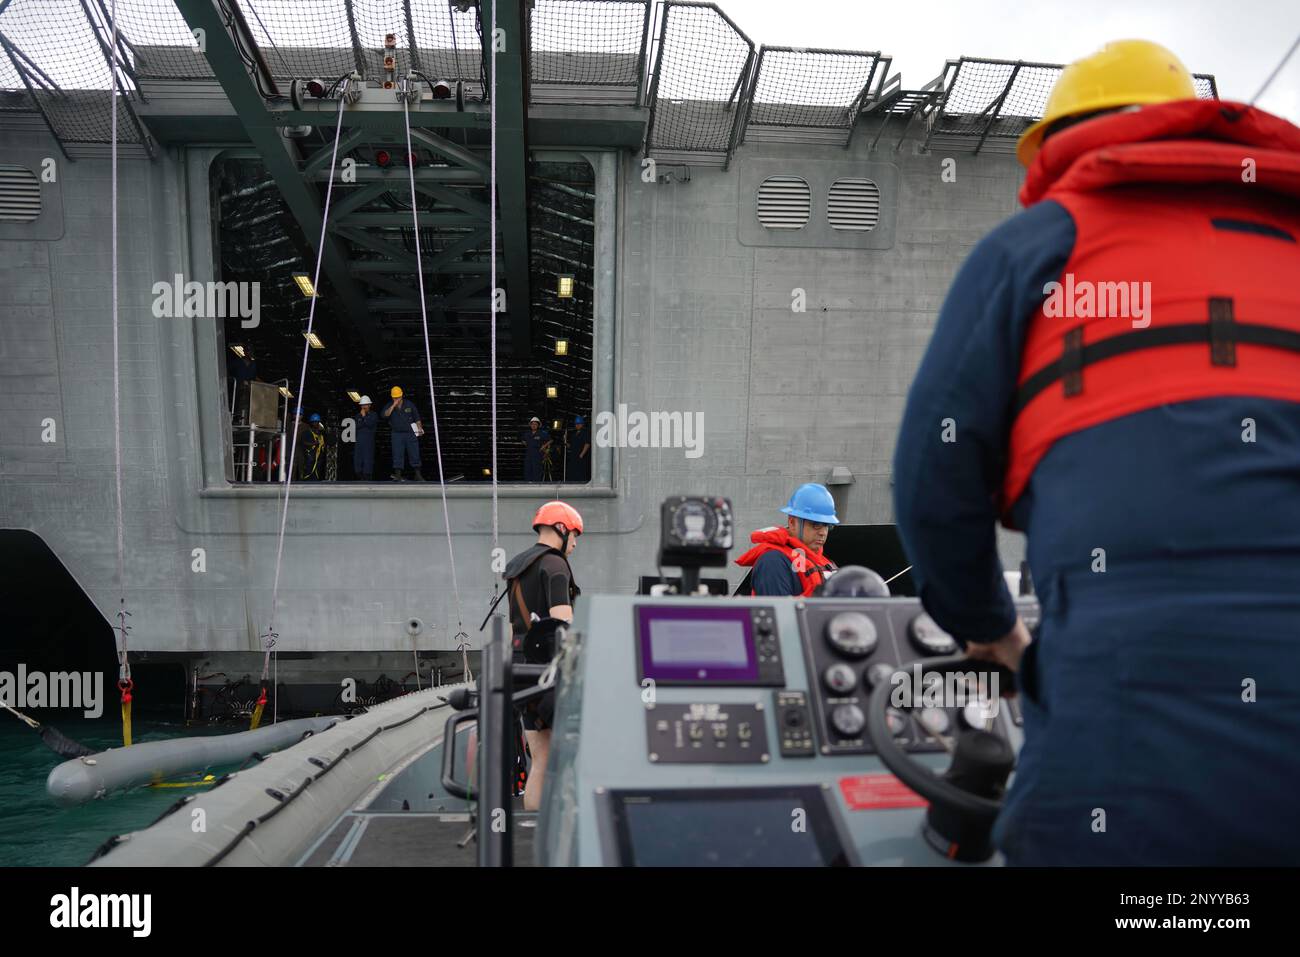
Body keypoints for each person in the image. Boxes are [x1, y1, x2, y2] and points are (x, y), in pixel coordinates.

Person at [892, 40, 1300, 866]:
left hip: (1126, 746)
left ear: (1053, 150)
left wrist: (992, 631)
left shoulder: (1033, 247)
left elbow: (936, 478)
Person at [500, 501, 583, 811]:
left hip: (520, 670)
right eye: (574, 536)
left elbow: (512, 629)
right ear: (562, 530)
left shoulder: (517, 568)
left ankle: (531, 833)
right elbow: (564, 624)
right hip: (548, 672)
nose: (574, 544)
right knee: (576, 749)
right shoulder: (556, 565)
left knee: (542, 758)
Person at [734, 483, 838, 596]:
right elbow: (777, 612)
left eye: (827, 525)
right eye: (816, 524)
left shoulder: (821, 562)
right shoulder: (773, 562)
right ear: (792, 523)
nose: (823, 532)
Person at [384, 386, 424, 481]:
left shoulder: (409, 404)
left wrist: (419, 427)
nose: (396, 399)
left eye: (398, 397)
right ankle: (398, 475)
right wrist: (393, 405)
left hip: (410, 433)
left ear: (401, 395)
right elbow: (385, 415)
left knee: (414, 453)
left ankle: (417, 474)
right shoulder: (390, 405)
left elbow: (417, 418)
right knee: (397, 454)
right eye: (394, 397)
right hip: (397, 434)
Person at [227, 346, 258, 425]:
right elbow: (227, 369)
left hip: (249, 388)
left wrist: (250, 382)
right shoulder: (238, 362)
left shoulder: (253, 364)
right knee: (238, 400)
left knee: (248, 401)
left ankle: (246, 419)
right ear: (245, 352)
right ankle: (237, 418)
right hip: (238, 387)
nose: (250, 353)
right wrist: (232, 379)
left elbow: (253, 377)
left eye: (251, 351)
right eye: (248, 351)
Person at [353, 395, 378, 481]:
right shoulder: (357, 416)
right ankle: (360, 477)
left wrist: (364, 417)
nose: (363, 407)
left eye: (365, 405)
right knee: (358, 460)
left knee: (368, 459)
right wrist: (363, 419)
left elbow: (370, 424)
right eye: (362, 405)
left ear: (369, 405)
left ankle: (368, 478)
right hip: (359, 441)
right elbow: (357, 426)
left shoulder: (374, 415)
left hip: (369, 442)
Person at [520, 416, 551, 482]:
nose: (533, 426)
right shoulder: (527, 434)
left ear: (538, 425)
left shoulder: (542, 433)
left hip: (537, 455)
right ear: (530, 425)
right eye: (532, 424)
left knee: (536, 470)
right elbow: (523, 440)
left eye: (535, 424)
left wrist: (544, 447)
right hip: (528, 454)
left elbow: (550, 440)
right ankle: (528, 484)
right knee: (528, 469)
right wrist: (527, 444)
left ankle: (537, 485)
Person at [300, 413, 326, 481]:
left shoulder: (321, 433)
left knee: (317, 472)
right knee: (308, 472)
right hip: (309, 456)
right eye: (314, 422)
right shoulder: (306, 432)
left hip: (319, 457)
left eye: (317, 422)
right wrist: (314, 443)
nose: (316, 424)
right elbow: (304, 443)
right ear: (311, 423)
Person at [565, 415, 591, 482]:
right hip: (573, 456)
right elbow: (571, 446)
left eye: (579, 424)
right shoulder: (574, 434)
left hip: (581, 457)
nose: (577, 425)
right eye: (576, 424)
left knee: (581, 474)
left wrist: (581, 454)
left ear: (582, 424)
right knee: (573, 474)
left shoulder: (585, 432)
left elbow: (587, 444)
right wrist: (565, 442)